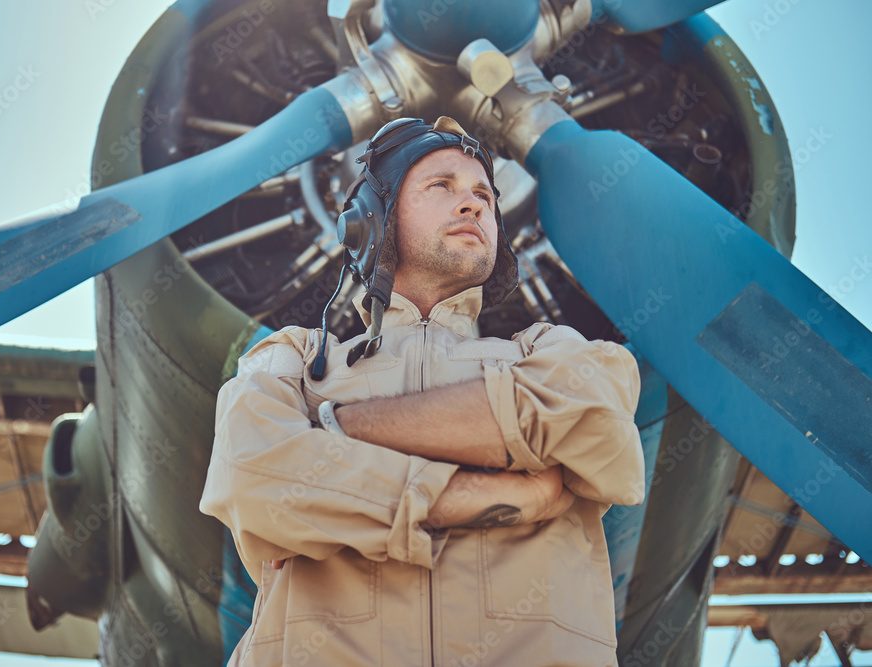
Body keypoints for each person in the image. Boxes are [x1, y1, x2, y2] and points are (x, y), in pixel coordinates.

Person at [200, 116, 645, 666]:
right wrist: (495, 493)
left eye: (483, 193)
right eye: (443, 186)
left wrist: (341, 425)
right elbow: (250, 474)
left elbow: (598, 423)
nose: (474, 204)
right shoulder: (291, 359)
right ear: (371, 222)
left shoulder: (554, 349)